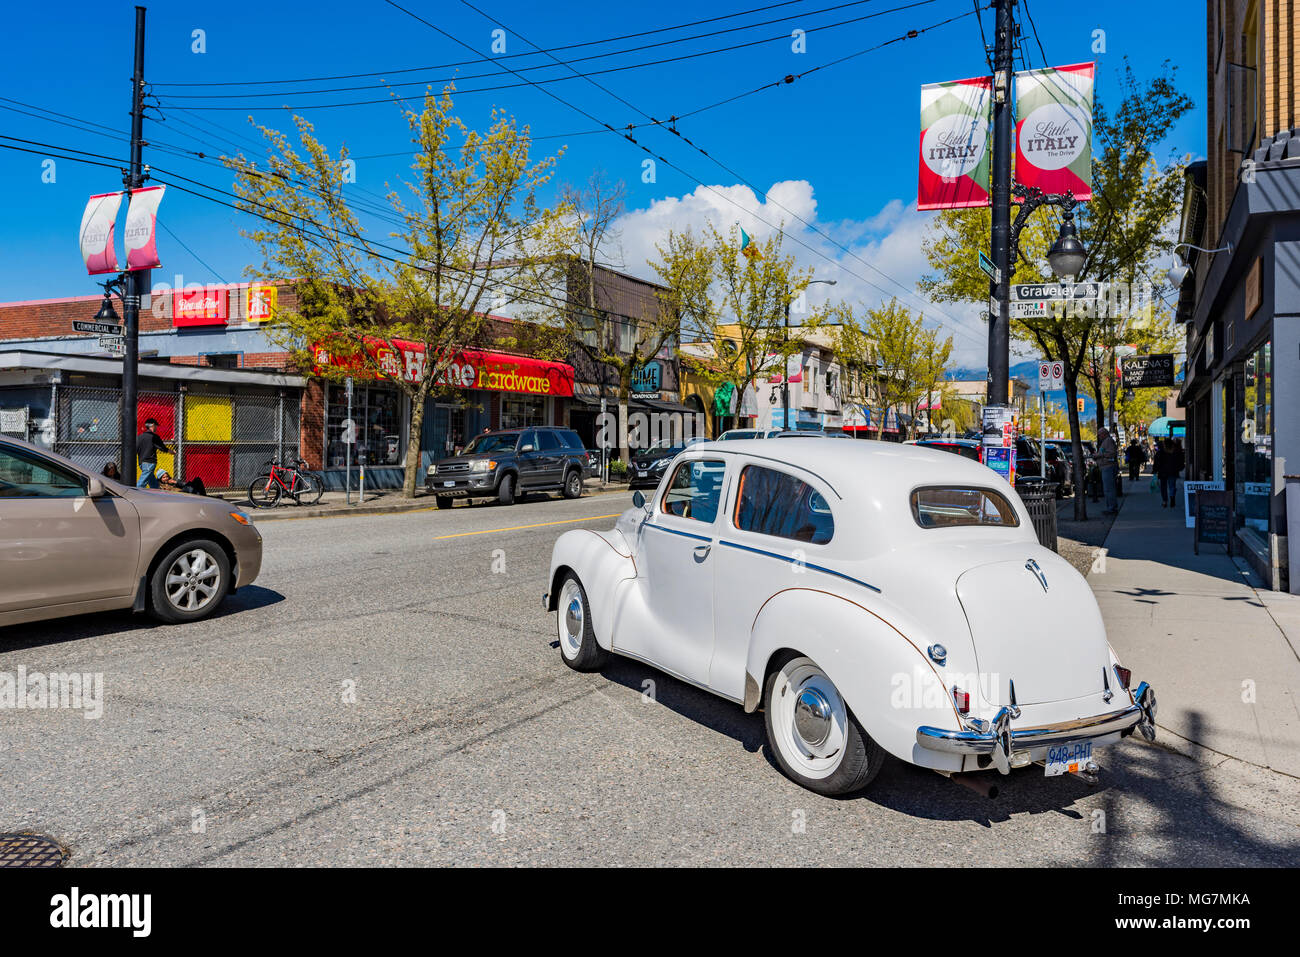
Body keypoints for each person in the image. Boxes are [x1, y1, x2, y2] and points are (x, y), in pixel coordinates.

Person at [135, 418, 171, 489]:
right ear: (153, 425)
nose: (156, 428)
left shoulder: (140, 437)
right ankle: (136, 494)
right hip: (149, 462)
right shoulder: (154, 437)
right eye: (156, 426)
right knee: (142, 483)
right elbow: (162, 447)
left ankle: (156, 491)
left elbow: (135, 449)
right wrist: (170, 451)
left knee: (152, 481)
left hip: (141, 462)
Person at [1154, 438, 1186, 509]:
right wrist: (1179, 468)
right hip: (1173, 472)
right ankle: (1172, 498)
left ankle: (1165, 501)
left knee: (1163, 487)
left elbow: (1157, 462)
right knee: (1172, 486)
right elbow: (1180, 461)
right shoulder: (1175, 452)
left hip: (1163, 473)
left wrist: (1155, 470)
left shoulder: (1160, 452)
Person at [1096, 426, 1119, 515]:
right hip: (1106, 467)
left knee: (1109, 489)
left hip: (1108, 467)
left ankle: (1112, 508)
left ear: (1104, 434)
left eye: (1100, 435)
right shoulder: (1106, 442)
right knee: (1108, 489)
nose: (1099, 437)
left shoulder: (1108, 441)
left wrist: (1099, 456)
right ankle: (1111, 507)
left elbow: (1112, 453)